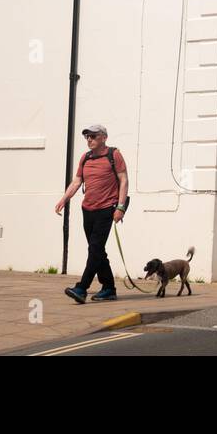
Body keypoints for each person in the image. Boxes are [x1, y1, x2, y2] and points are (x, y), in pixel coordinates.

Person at [55, 125, 128, 303]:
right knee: (97, 250)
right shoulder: (85, 158)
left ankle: (82, 288)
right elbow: (77, 181)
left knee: (94, 249)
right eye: (87, 136)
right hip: (87, 210)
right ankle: (109, 288)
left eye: (93, 136)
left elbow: (124, 180)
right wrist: (64, 199)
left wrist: (120, 207)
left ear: (104, 137)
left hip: (106, 209)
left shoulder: (114, 155)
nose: (89, 139)